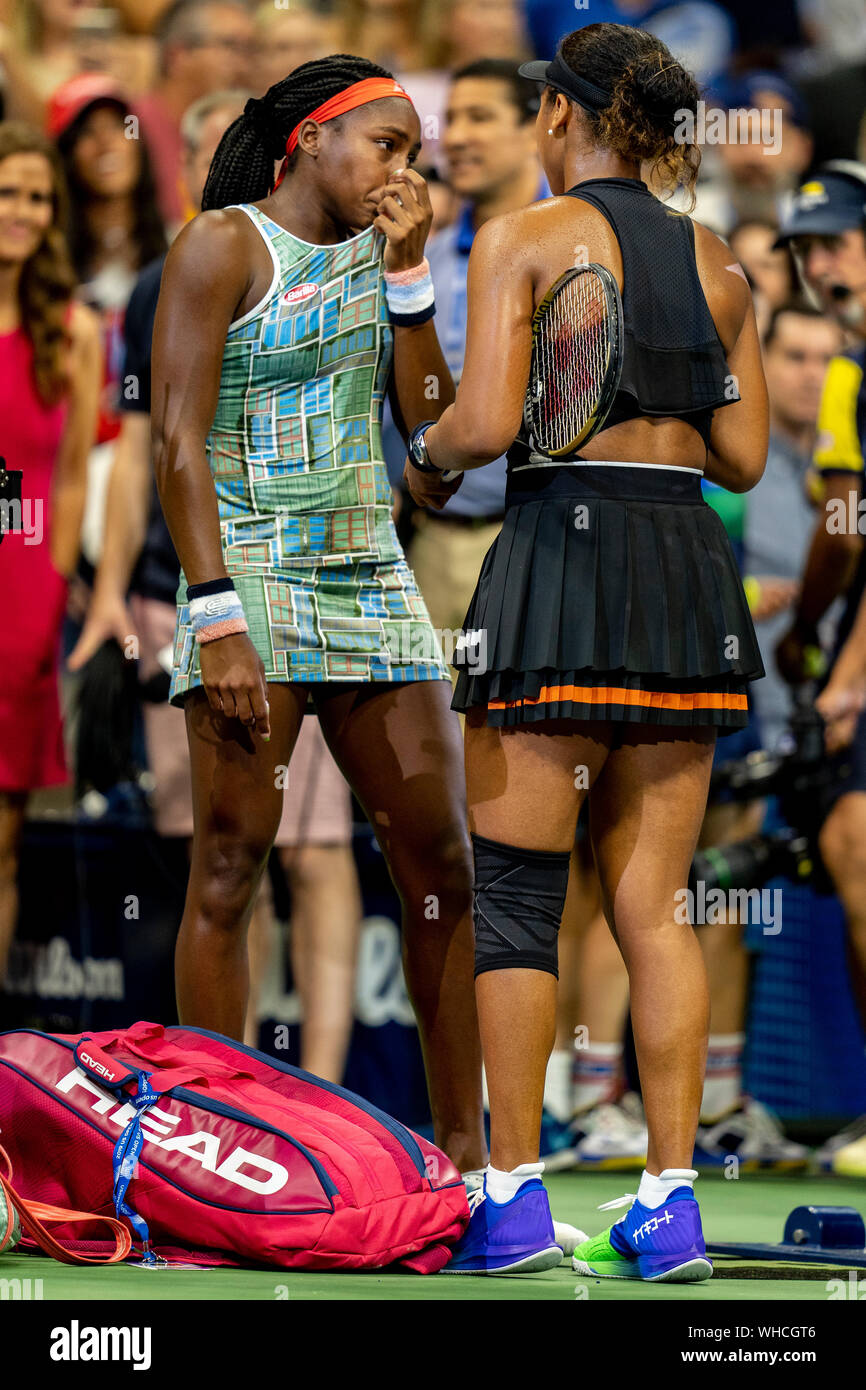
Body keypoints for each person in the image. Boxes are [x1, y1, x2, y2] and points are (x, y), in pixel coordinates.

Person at [404, 26, 768, 1277]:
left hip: (556, 568)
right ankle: (669, 1204)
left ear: (562, 117)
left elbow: (482, 424)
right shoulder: (719, 263)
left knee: (516, 898)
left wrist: (424, 455)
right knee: (653, 908)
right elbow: (741, 461)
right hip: (682, 582)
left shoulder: (524, 237)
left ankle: (511, 1201)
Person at [149, 54, 486, 1175]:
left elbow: (434, 455)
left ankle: (465, 1162)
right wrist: (214, 616)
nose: (404, 170)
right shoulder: (221, 243)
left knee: (441, 867)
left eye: (415, 154)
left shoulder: (386, 256)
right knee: (230, 867)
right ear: (309, 141)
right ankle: (213, 1153)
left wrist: (411, 274)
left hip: (370, 579)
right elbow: (175, 444)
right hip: (245, 576)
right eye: (387, 145)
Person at [66, 87, 365, 1084]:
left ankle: (319, 1090)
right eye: (197, 143)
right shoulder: (170, 275)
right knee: (225, 859)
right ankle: (237, 1095)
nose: (218, 158)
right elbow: (138, 450)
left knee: (316, 854)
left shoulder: (346, 261)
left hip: (319, 588)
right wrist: (121, 590)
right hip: (188, 592)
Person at [774, 163, 866, 1177]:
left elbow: (845, 531)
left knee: (851, 843)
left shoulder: (849, 371)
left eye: (837, 241)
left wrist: (825, 652)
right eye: (806, 249)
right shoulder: (848, 362)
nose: (822, 265)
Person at [0, 120, 101, 983]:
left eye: (37, 197)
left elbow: (71, 478)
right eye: (8, 192)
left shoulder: (74, 330)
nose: (23, 211)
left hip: (22, 594)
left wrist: (54, 577)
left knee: (3, 838)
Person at [134, 0, 255, 229]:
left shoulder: (252, 133)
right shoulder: (131, 124)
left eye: (250, 50)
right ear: (178, 55)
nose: (244, 66)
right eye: (230, 46)